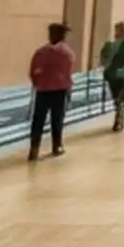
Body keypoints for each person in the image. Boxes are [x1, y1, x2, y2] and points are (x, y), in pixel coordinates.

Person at [28, 23, 75, 160]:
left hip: (42, 90)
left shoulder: (40, 52)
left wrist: (37, 83)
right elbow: (68, 73)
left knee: (38, 120)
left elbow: (33, 71)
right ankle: (57, 145)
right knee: (57, 119)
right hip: (60, 91)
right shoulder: (67, 53)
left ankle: (34, 149)